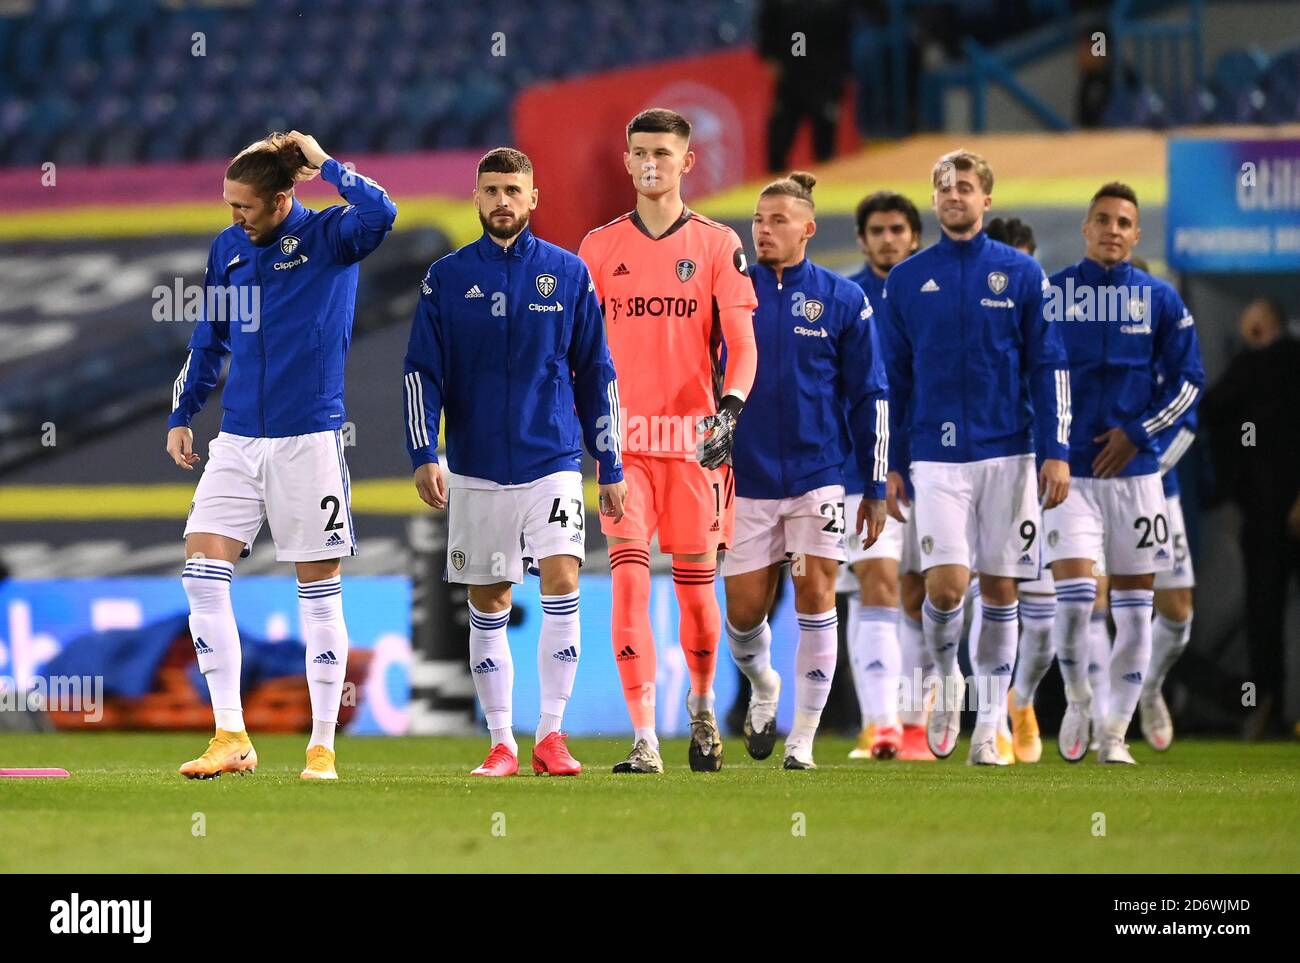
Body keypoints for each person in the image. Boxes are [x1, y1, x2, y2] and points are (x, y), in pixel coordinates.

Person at [166, 131, 397, 780]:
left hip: (308, 439)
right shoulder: (229, 249)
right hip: (238, 438)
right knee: (201, 569)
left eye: (243, 205)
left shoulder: (331, 237)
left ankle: (321, 744)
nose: (232, 216)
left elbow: (384, 213)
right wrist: (183, 415)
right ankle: (231, 734)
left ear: (281, 199)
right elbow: (209, 338)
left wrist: (327, 164)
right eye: (228, 203)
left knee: (318, 592)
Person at [403, 148, 625, 777]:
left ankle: (550, 736)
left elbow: (597, 373)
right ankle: (501, 742)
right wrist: (424, 450)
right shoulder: (445, 278)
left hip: (551, 457)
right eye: (491, 190)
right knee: (491, 595)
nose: (502, 201)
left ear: (534, 199)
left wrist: (609, 462)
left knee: (562, 577)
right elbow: (423, 370)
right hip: (474, 465)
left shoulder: (569, 273)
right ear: (476, 199)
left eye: (513, 191)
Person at [877, 149, 1072, 766]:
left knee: (1003, 587)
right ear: (933, 201)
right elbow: (893, 381)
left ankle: (989, 725)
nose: (953, 194)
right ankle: (942, 678)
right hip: (936, 456)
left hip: (1009, 453)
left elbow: (1049, 366)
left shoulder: (1021, 274)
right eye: (943, 187)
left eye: (964, 186)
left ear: (986, 199)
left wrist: (1056, 451)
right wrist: (892, 462)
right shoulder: (906, 281)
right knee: (946, 587)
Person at [578, 109, 759, 773]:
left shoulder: (716, 245)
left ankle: (704, 707)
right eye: (639, 151)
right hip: (623, 448)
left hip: (695, 446)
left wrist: (730, 412)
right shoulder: (597, 248)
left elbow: (742, 344)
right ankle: (644, 737)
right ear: (625, 162)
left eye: (663, 151)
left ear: (688, 162)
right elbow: (580, 353)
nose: (651, 161)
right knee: (628, 586)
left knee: (694, 595)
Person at [723, 172, 889, 770]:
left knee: (816, 596)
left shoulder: (845, 300)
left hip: (820, 473)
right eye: (759, 221)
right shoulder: (731, 292)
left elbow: (871, 393)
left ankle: (803, 741)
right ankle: (764, 684)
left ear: (808, 230)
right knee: (743, 614)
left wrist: (873, 484)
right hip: (747, 479)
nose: (764, 231)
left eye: (778, 222)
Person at [1043, 182, 1204, 764]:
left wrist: (1139, 434)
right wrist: (1049, 448)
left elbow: (1191, 383)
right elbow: (1030, 374)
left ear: (1137, 235)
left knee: (1143, 613)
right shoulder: (1053, 295)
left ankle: (1115, 732)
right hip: (1072, 477)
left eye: (1123, 222)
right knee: (1075, 601)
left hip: (1140, 479)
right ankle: (1080, 699)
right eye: (1102, 219)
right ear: (1086, 229)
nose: (1112, 229)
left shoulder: (1160, 300)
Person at [842, 191, 933, 761]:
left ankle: (915, 725)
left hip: (934, 465)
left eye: (898, 229)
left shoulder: (936, 291)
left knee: (921, 595)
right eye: (876, 230)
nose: (887, 239)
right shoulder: (846, 298)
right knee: (872, 584)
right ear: (861, 239)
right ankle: (879, 726)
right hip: (862, 466)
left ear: (915, 236)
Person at [1203, 297, 1300, 740]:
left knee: (1265, 612)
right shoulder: (1249, 370)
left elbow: (1211, 412)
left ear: (1262, 325)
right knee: (1262, 612)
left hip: (1274, 508)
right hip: (1261, 515)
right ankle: (1266, 706)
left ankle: (1268, 705)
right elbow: (1211, 412)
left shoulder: (1282, 365)